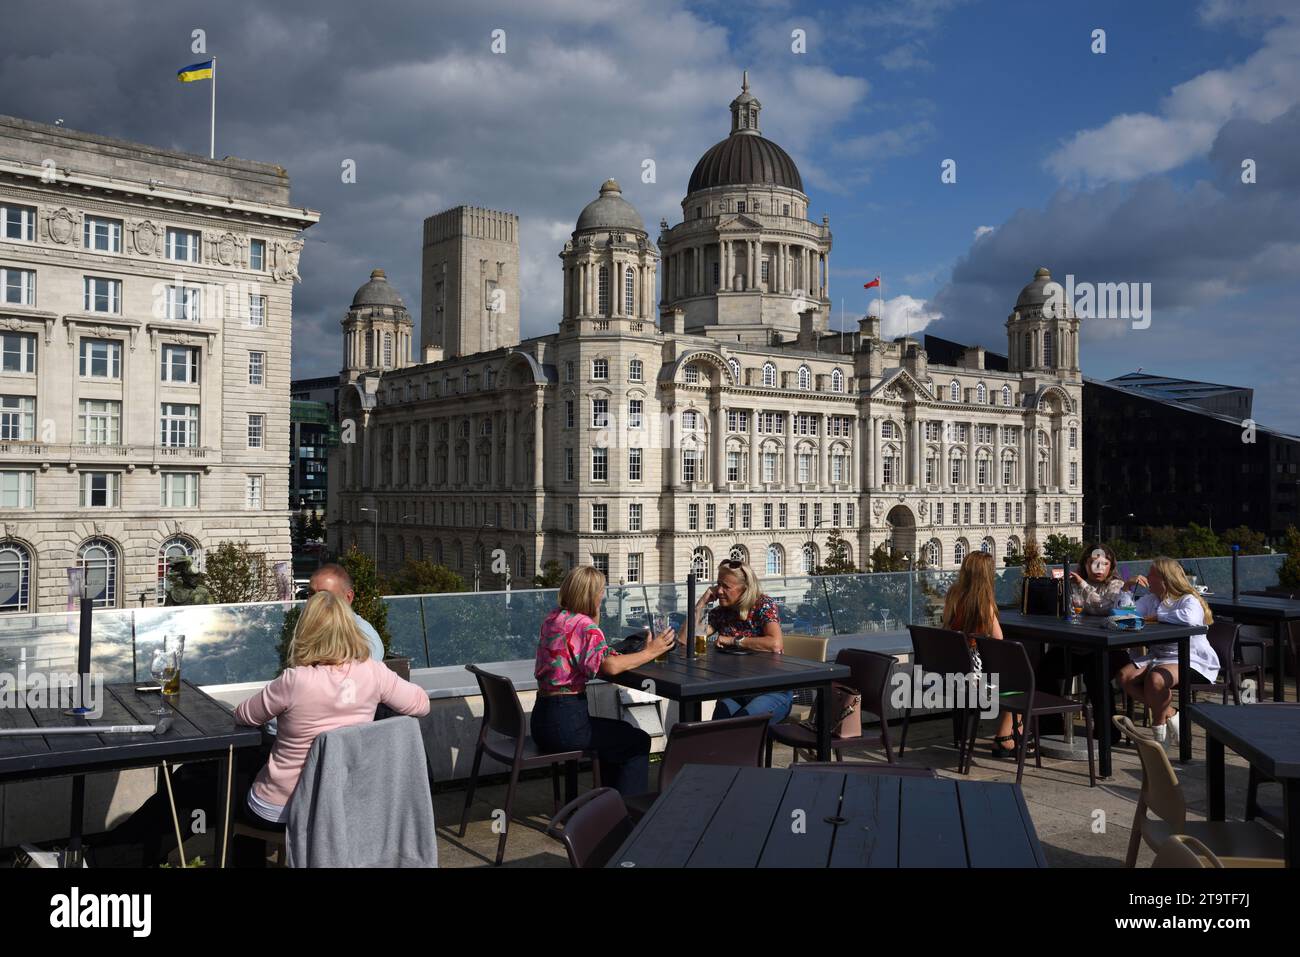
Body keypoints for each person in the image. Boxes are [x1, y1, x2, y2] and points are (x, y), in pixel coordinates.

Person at [233, 590, 430, 826]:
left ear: (305, 630)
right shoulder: (373, 672)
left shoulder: (295, 680)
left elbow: (244, 715)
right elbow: (421, 704)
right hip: (342, 807)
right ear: (350, 628)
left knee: (230, 787)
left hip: (282, 809)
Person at [531, 566, 675, 796]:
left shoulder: (554, 618)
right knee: (636, 740)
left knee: (618, 737)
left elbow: (585, 657)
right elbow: (608, 666)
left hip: (542, 721)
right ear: (591, 595)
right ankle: (627, 811)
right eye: (600, 591)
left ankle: (607, 804)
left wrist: (594, 616)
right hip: (566, 724)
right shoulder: (584, 626)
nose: (604, 595)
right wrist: (651, 652)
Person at [1114, 557, 1219, 748]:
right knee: (1124, 676)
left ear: (1164, 579)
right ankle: (1170, 712)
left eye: (1151, 575)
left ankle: (1159, 730)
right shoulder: (1151, 599)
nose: (1146, 577)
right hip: (1159, 655)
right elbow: (1124, 615)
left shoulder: (1188, 600)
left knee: (1155, 680)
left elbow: (1190, 619)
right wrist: (1126, 589)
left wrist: (1155, 617)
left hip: (1190, 657)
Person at [1037, 543, 1131, 741]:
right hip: (1080, 647)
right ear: (1085, 565)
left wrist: (1082, 585)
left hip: (1110, 649)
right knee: (1044, 669)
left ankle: (1108, 733)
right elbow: (1067, 609)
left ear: (1111, 566)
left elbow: (1104, 607)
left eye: (1103, 564)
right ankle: (1052, 727)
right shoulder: (1074, 584)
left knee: (1096, 676)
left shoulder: (1116, 585)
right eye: (1093, 563)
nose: (1098, 568)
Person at [692, 559, 792, 726]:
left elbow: (775, 644)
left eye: (726, 587)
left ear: (744, 589)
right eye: (718, 585)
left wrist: (734, 640)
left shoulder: (763, 605)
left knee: (741, 727)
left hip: (771, 690)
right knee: (716, 728)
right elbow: (686, 639)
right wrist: (700, 604)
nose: (720, 591)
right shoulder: (722, 612)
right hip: (737, 690)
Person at [941, 551, 1020, 758]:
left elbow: (946, 626)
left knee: (1013, 677)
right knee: (1020, 682)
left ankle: (1011, 733)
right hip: (972, 673)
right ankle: (1007, 736)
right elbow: (998, 640)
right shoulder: (984, 603)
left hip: (949, 668)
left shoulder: (953, 594)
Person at [308, 563, 385, 663]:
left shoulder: (363, 637)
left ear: (348, 597)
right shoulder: (309, 628)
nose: (315, 601)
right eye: (311, 594)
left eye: (325, 595)